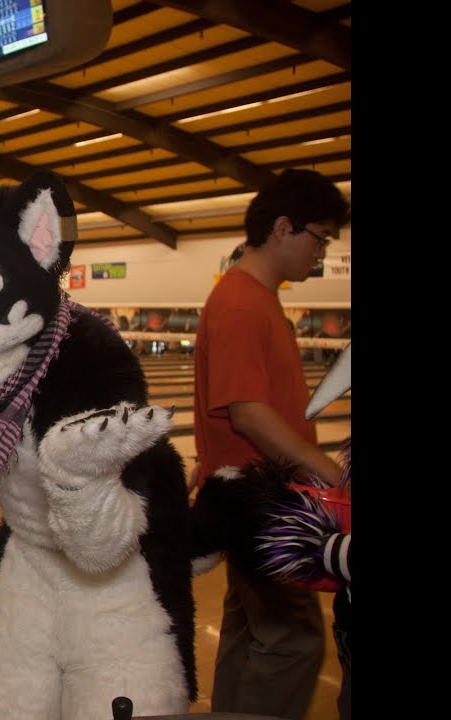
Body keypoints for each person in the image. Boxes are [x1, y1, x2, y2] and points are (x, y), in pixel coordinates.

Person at [193, 167, 350, 720]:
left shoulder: (254, 297)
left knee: (249, 629)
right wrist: (327, 470)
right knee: (292, 640)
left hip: (253, 495)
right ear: (284, 227)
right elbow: (249, 411)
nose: (323, 252)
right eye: (321, 237)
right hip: (263, 501)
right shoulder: (240, 303)